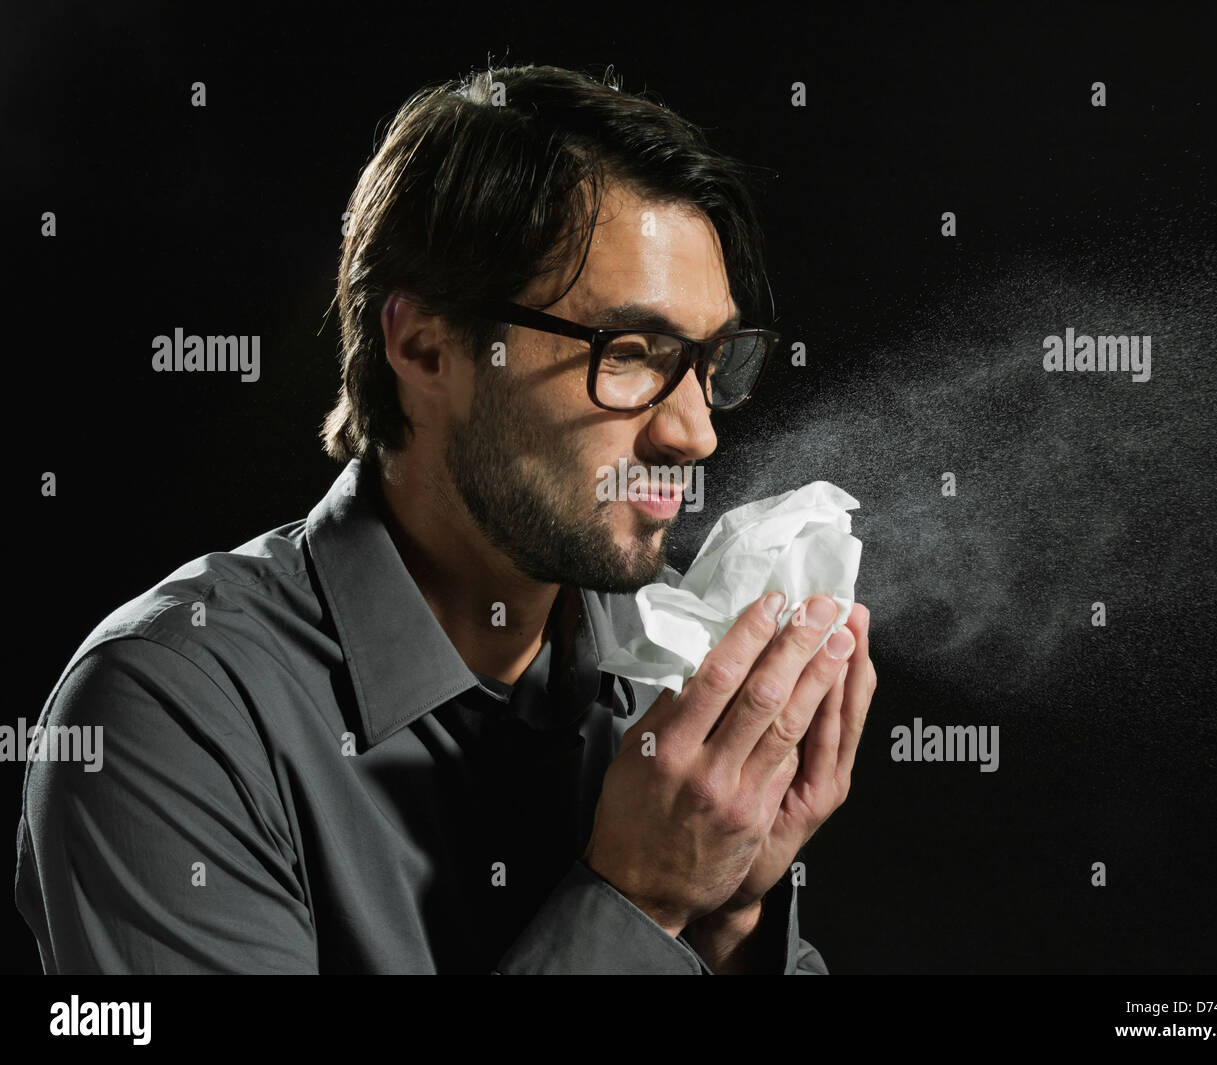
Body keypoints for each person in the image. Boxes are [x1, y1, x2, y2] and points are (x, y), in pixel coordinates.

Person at [16, 64, 876, 974]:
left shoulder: (660, 687)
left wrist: (729, 922)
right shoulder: (171, 716)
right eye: (631, 353)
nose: (696, 432)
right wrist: (639, 898)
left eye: (708, 363)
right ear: (425, 346)